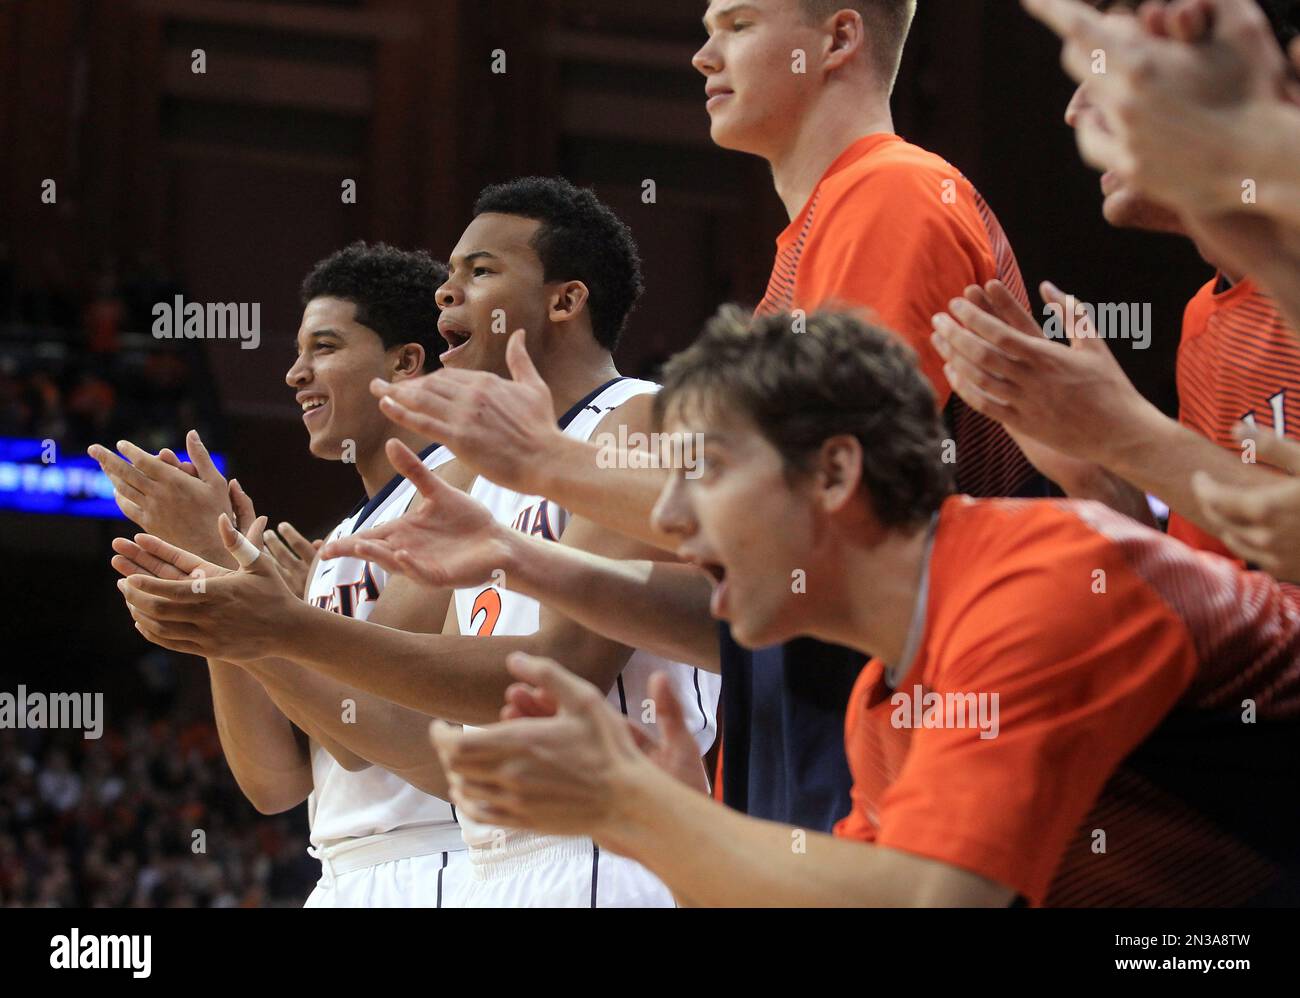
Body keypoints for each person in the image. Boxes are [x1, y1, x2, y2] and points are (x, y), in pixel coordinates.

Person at [363, 0, 1068, 837]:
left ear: (838, 39)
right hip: (817, 749)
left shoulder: (893, 196)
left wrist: (538, 463)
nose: (703, 56)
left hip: (926, 751)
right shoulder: (810, 244)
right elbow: (754, 587)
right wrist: (519, 555)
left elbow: (810, 516)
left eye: (737, 26)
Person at [433, 307, 1300, 907]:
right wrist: (666, 828)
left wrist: (636, 808)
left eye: (706, 472)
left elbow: (934, 898)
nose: (665, 516)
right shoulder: (884, 702)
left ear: (837, 472)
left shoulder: (1042, 583)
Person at [116, 179, 719, 907]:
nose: (446, 291)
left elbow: (559, 672)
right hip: (488, 859)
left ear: (565, 301)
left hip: (603, 850)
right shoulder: (476, 478)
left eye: (481, 270)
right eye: (451, 272)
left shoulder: (638, 422)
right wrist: (242, 619)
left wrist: (274, 622)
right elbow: (370, 710)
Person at [100, 242, 473, 906]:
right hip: (342, 870)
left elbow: (374, 736)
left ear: (406, 361)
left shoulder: (457, 494)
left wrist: (260, 617)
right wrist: (221, 597)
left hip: (441, 858)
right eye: (298, 352)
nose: (295, 374)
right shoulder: (338, 544)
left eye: (324, 348)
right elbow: (273, 784)